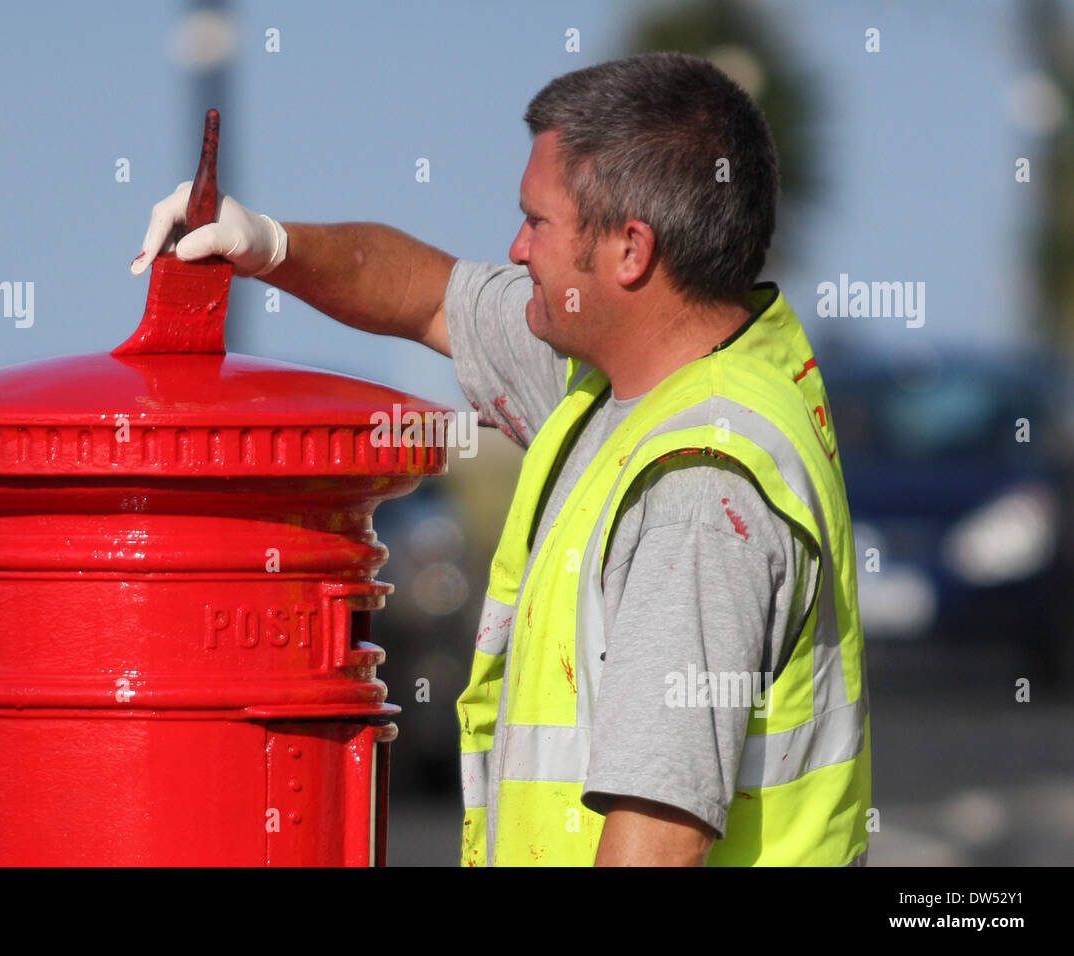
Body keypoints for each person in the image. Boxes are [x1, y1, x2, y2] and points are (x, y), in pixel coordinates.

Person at [132, 51, 871, 867]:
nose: (516, 249)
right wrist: (266, 243)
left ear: (630, 252)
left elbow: (654, 847)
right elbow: (424, 291)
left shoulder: (698, 491)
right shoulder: (619, 375)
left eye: (538, 221)